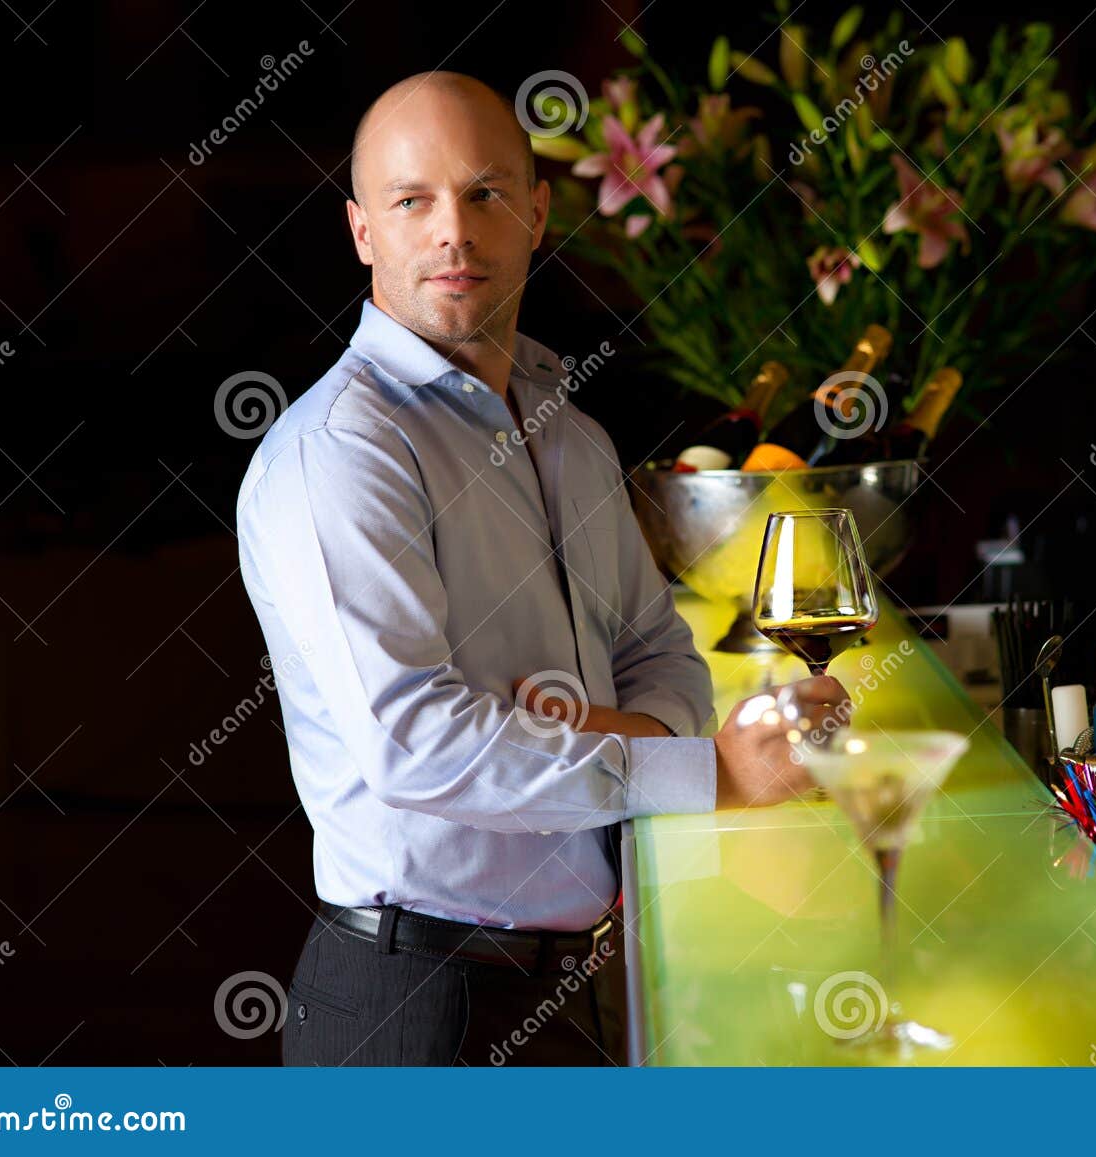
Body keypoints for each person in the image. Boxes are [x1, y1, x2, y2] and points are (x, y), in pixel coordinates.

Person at [234, 70, 848, 1066]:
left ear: (537, 211)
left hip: (576, 987)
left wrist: (601, 727)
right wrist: (705, 773)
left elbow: (660, 648)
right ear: (361, 232)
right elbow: (418, 745)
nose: (453, 233)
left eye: (484, 194)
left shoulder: (571, 431)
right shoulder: (340, 452)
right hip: (413, 1008)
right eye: (411, 200)